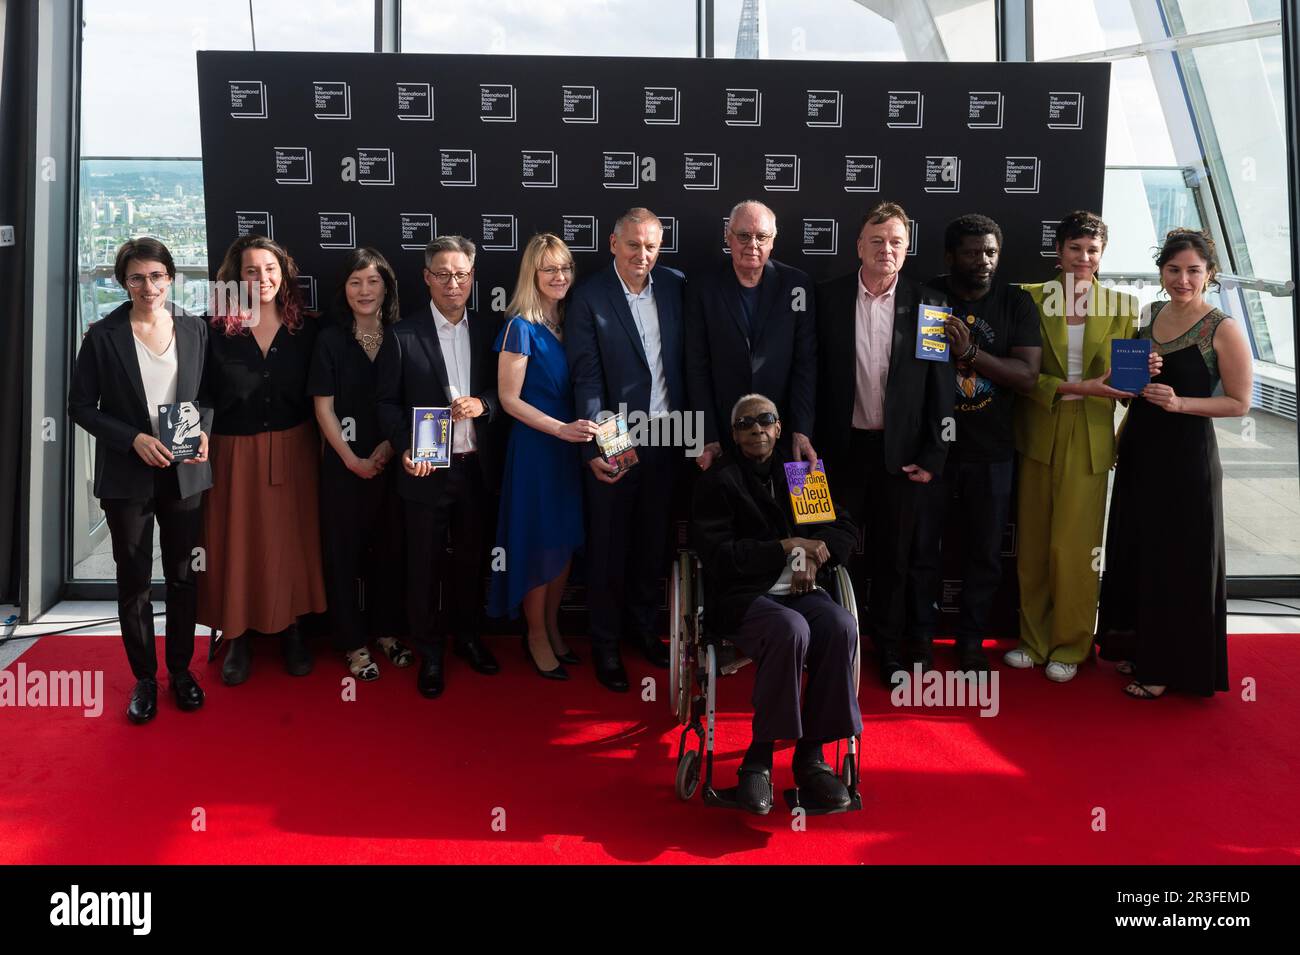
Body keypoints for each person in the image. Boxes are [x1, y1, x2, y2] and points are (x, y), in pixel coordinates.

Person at [1097, 229, 1251, 698]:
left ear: (1211, 274)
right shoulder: (1151, 314)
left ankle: (1166, 667)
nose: (1183, 279)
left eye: (1193, 271)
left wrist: (1182, 403)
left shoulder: (1220, 327)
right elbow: (1127, 386)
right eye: (1173, 270)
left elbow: (1240, 403)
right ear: (1162, 272)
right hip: (1141, 448)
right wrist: (1135, 378)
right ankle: (1140, 646)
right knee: (1138, 548)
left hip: (1187, 459)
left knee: (1176, 559)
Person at [692, 394, 861, 816]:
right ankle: (759, 758)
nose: (756, 429)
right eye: (746, 423)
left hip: (802, 594)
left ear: (780, 427)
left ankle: (811, 757)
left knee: (840, 626)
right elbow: (719, 558)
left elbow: (843, 529)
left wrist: (815, 549)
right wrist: (785, 547)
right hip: (745, 596)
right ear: (734, 434)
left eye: (765, 420)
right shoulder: (721, 480)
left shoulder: (800, 474)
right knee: (791, 630)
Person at [1008, 210, 1159, 683]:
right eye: (1075, 248)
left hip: (1091, 435)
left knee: (1076, 549)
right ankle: (1032, 641)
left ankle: (1070, 646)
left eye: (1092, 250)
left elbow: (1126, 380)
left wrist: (1145, 368)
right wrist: (1079, 388)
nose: (1083, 258)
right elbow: (1020, 377)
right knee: (1033, 546)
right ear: (1059, 251)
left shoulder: (1122, 304)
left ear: (1102, 254)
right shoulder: (1030, 299)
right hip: (1039, 427)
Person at [69, 238, 211, 723]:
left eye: (155, 276)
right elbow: (80, 406)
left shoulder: (194, 328)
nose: (147, 286)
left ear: (171, 278)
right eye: (136, 278)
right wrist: (132, 438)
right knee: (133, 579)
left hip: (185, 469)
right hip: (128, 473)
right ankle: (145, 679)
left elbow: (207, 393)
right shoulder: (102, 335)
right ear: (122, 282)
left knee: (183, 576)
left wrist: (204, 432)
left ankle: (181, 671)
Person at [815, 202, 953, 687]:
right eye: (877, 241)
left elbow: (941, 386)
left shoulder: (930, 306)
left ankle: (889, 649)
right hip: (831, 455)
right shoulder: (825, 298)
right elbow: (806, 377)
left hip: (902, 457)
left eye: (895, 241)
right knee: (824, 551)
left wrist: (934, 454)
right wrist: (803, 444)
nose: (886, 250)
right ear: (858, 246)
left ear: (907, 248)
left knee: (895, 557)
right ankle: (828, 645)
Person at [912, 214, 1042, 672]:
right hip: (935, 452)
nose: (983, 261)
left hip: (993, 453)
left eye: (990, 251)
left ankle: (970, 643)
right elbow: (921, 374)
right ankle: (921, 642)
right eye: (971, 252)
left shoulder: (1015, 303)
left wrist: (970, 354)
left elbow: (1027, 377)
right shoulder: (931, 296)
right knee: (924, 551)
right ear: (950, 257)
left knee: (985, 555)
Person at [375, 236, 502, 699]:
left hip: (476, 469)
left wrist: (484, 404)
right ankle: (429, 652)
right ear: (427, 278)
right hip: (426, 471)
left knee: (470, 562)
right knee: (424, 566)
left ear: (472, 278)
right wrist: (405, 445)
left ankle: (467, 637)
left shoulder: (492, 330)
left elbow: (506, 397)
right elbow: (386, 404)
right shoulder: (402, 335)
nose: (454, 283)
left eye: (462, 275)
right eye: (444, 274)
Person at [565, 208, 686, 691]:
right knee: (610, 546)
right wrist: (601, 446)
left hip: (670, 436)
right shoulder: (589, 296)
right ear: (613, 243)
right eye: (633, 245)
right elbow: (587, 379)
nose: (642, 255)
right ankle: (606, 644)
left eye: (651, 246)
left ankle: (642, 630)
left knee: (653, 544)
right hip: (618, 437)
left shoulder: (676, 285)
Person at [199, 234, 326, 685]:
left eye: (270, 269)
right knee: (237, 544)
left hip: (296, 449)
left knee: (291, 542)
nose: (263, 278)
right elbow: (197, 396)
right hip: (233, 452)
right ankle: (237, 636)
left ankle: (293, 630)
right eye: (251, 271)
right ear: (236, 278)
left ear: (284, 273)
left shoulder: (307, 329)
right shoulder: (212, 330)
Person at [488, 233, 597, 680]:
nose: (559, 277)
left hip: (570, 449)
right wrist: (560, 430)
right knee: (537, 545)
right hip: (537, 450)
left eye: (565, 268)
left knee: (564, 541)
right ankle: (533, 634)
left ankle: (551, 625)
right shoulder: (520, 326)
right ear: (532, 274)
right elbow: (508, 400)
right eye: (549, 269)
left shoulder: (572, 321)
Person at [308, 248, 413, 681]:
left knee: (391, 553)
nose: (364, 291)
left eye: (372, 281)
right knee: (343, 558)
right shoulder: (331, 339)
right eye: (355, 282)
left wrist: (388, 449)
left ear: (385, 286)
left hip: (393, 462)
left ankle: (388, 633)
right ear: (344, 289)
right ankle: (353, 644)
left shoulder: (402, 335)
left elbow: (409, 401)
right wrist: (350, 459)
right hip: (343, 468)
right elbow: (323, 409)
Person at [685, 200, 817, 469]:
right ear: (728, 236)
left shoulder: (797, 285)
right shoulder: (701, 288)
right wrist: (707, 435)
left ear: (773, 240)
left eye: (762, 236)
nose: (752, 244)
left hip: (782, 434)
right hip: (722, 435)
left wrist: (801, 430)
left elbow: (806, 364)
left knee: (780, 510)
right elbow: (696, 367)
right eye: (743, 235)